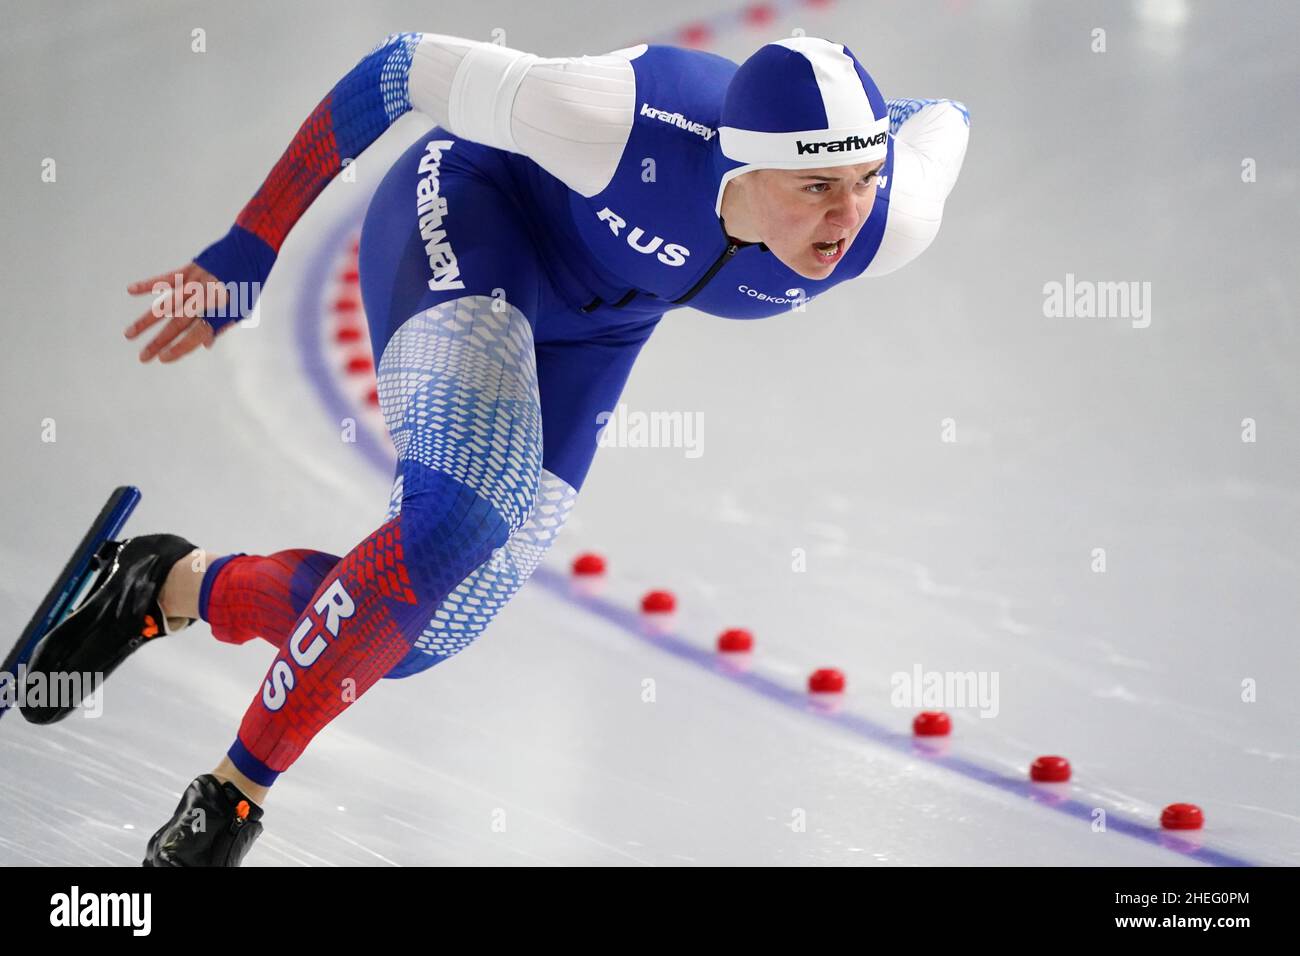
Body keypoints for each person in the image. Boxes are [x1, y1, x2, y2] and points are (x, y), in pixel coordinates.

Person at [23, 33, 970, 865]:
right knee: (460, 519)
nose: (848, 219)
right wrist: (249, 246)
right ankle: (231, 798)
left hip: (600, 327)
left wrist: (873, 132)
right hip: (475, 222)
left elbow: (945, 117)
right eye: (816, 188)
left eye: (863, 181)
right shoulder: (607, 118)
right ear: (746, 164)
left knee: (411, 639)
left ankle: (168, 585)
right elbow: (391, 69)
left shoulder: (895, 216)